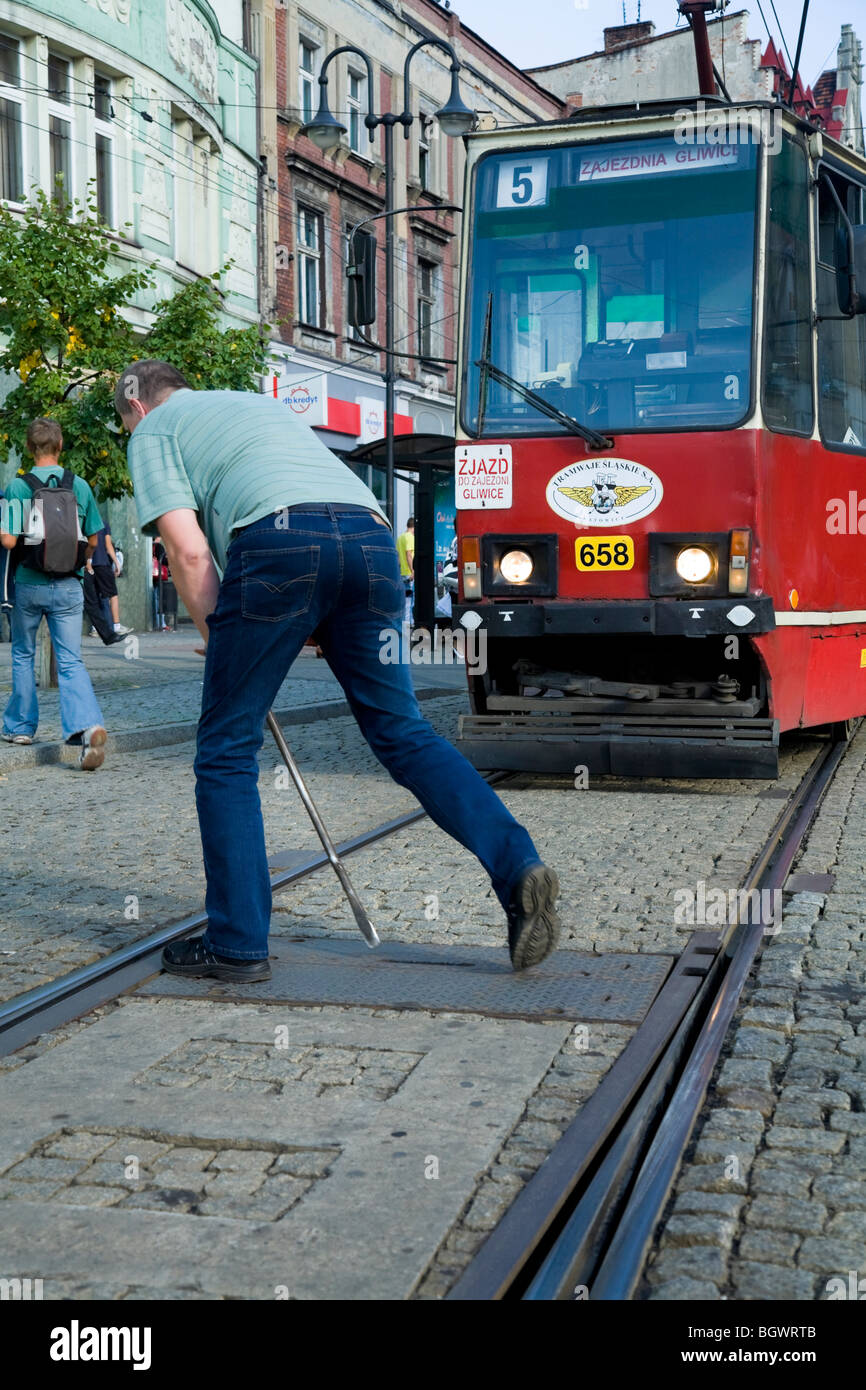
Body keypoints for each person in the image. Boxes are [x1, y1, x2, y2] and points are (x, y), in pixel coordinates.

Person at [115, 360, 560, 983]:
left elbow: (188, 550)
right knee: (403, 732)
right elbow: (325, 514)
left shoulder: (152, 430)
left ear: (136, 405)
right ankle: (518, 868)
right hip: (372, 544)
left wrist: (224, 637)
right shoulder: (256, 405)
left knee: (226, 747)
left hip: (277, 544)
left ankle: (238, 942)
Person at [0, 418, 108, 768]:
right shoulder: (80, 486)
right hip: (69, 586)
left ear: (29, 449)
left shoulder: (18, 487)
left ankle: (20, 728)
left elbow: (9, 541)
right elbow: (93, 539)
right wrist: (81, 560)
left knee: (22, 654)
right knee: (71, 660)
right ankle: (88, 727)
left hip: (30, 584)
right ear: (60, 446)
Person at [88, 517, 130, 637]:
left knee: (94, 597)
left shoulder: (86, 521)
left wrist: (87, 562)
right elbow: (108, 546)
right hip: (102, 563)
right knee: (113, 595)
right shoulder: (103, 523)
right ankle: (116, 625)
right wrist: (117, 563)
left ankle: (95, 627)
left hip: (89, 564)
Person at [397, 515, 415, 623]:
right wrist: (413, 570)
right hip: (409, 573)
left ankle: (403, 621)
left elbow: (398, 558)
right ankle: (408, 623)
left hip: (402, 573)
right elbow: (409, 554)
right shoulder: (410, 537)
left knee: (404, 600)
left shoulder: (400, 538)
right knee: (410, 601)